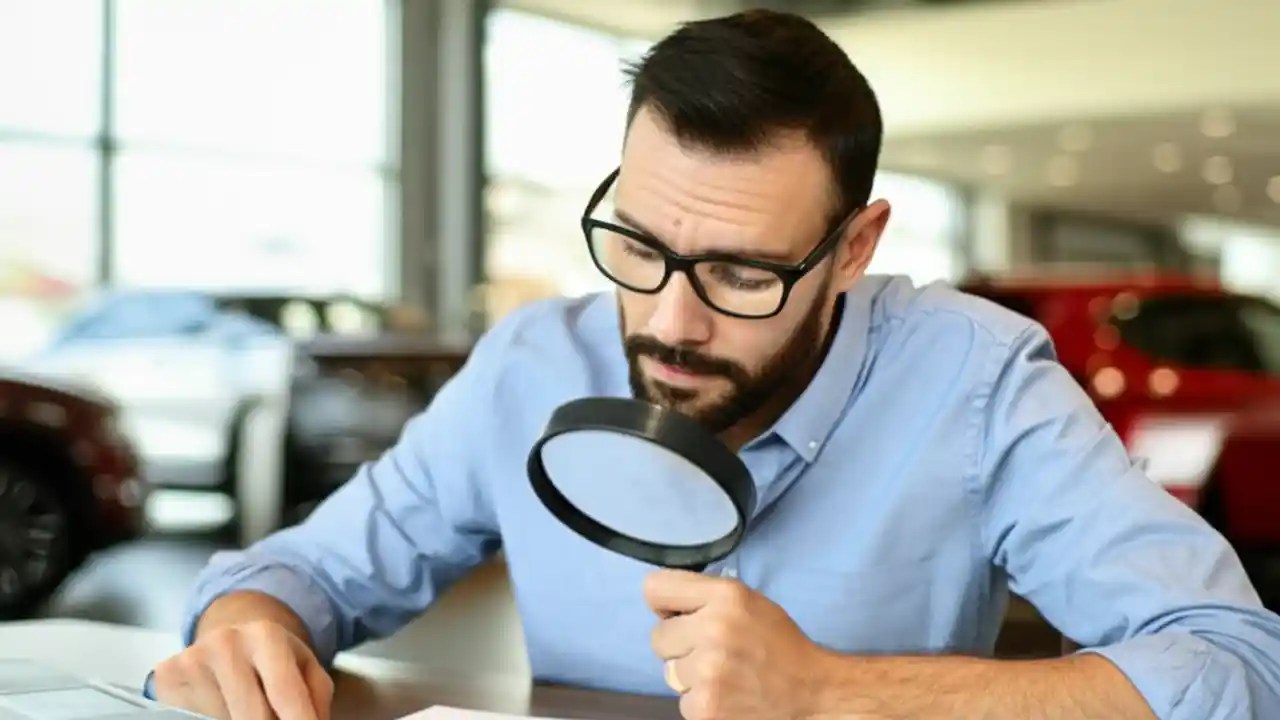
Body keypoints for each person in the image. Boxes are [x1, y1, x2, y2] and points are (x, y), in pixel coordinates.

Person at [151, 9, 1280, 720]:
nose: (670, 323)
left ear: (853, 248)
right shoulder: (533, 365)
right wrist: (249, 624)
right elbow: (306, 574)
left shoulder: (975, 380)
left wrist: (834, 694)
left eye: (742, 273)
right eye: (640, 247)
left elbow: (1234, 667)